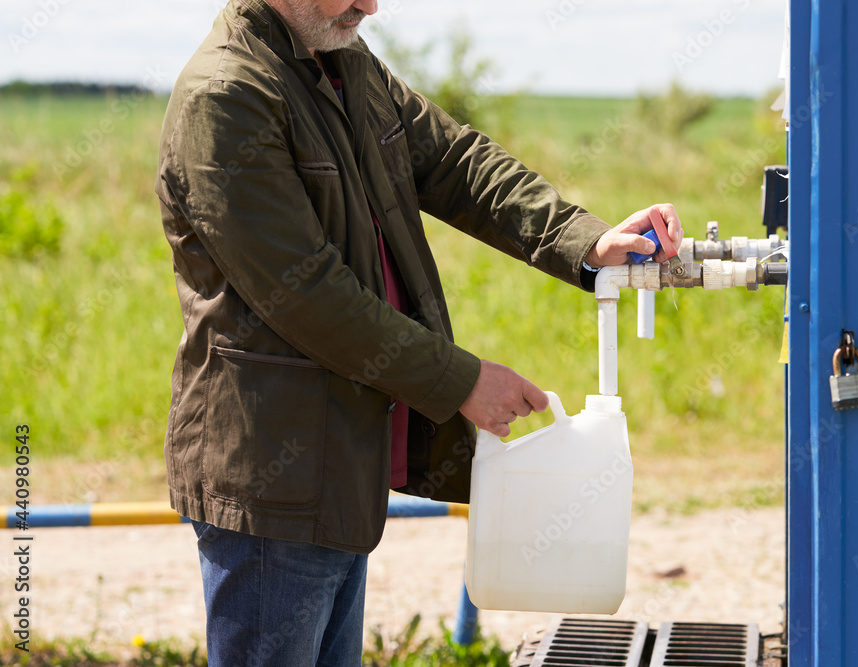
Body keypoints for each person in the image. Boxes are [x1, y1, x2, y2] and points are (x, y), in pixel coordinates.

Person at [154, 0, 683, 665]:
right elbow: (308, 295)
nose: (370, 5)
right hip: (271, 480)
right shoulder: (226, 95)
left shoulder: (343, 63)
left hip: (338, 464)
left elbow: (458, 163)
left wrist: (587, 239)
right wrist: (460, 381)